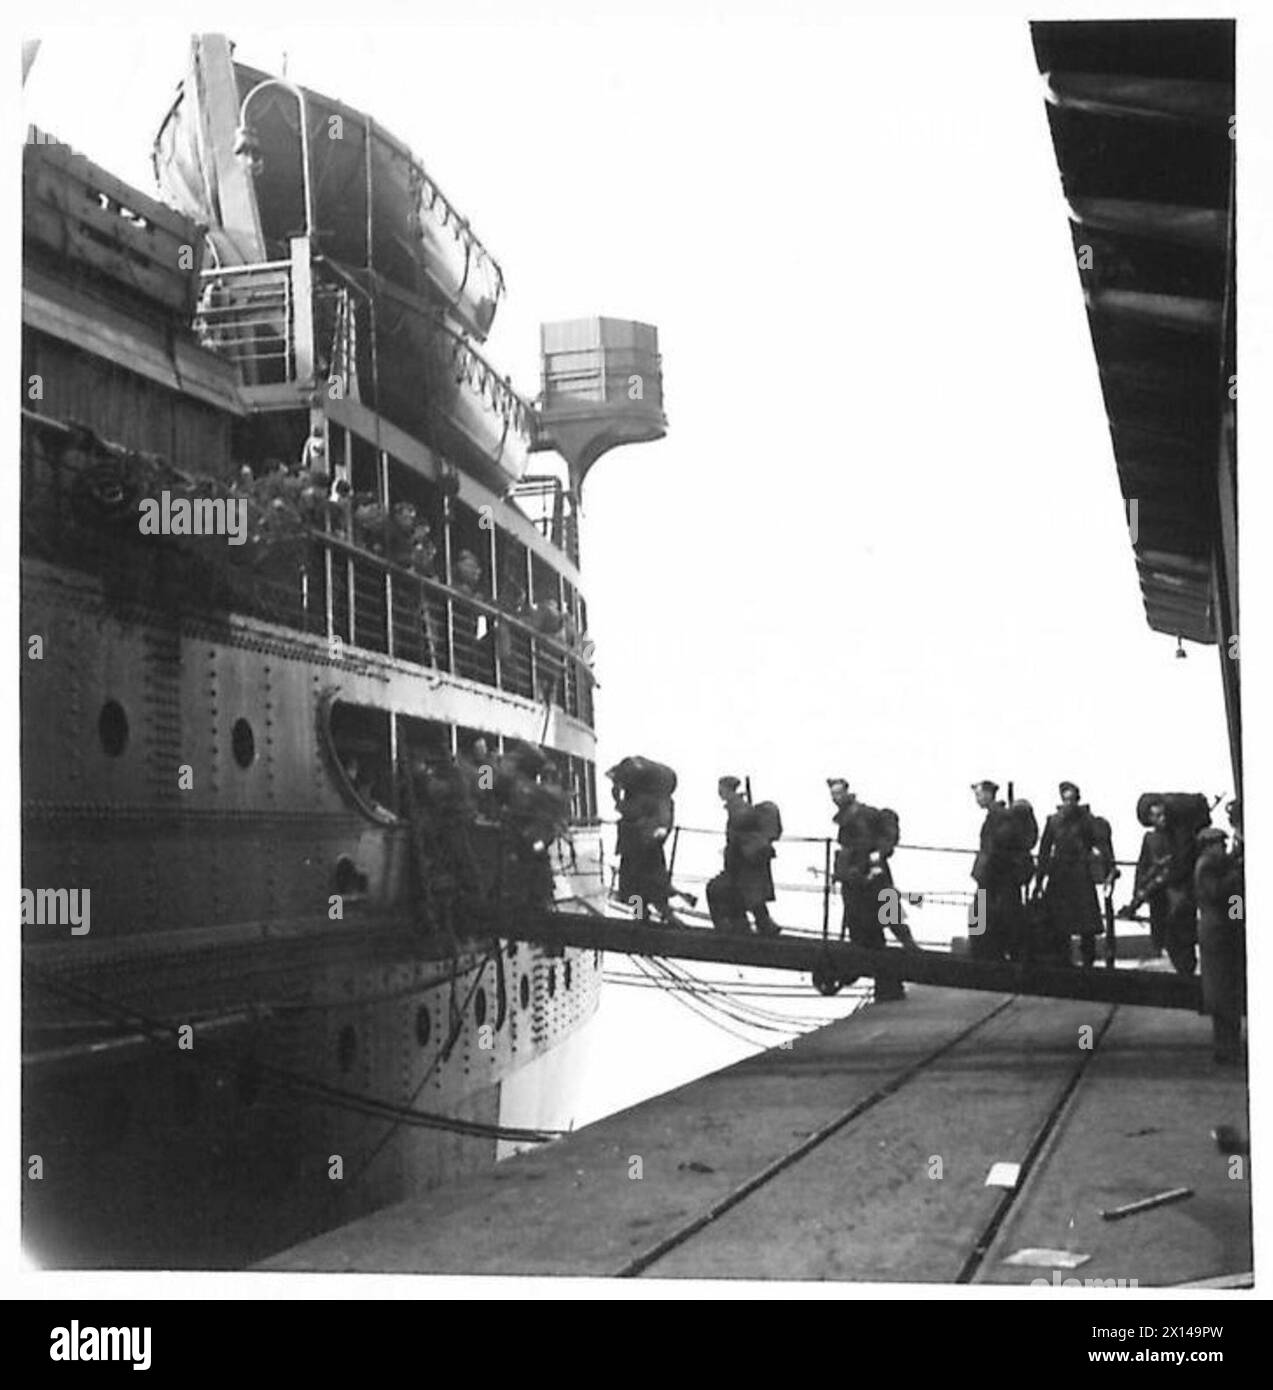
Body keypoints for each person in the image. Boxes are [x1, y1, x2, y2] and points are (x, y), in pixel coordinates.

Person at [829, 778, 915, 999]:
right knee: (864, 929)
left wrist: (874, 857)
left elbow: (881, 837)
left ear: (847, 793)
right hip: (855, 880)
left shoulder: (865, 814)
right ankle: (887, 985)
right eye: (833, 794)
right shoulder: (847, 819)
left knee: (887, 917)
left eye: (839, 793)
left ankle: (909, 954)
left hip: (871, 874)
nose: (836, 798)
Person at [1034, 782, 1106, 968]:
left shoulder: (1087, 820)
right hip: (1060, 875)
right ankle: (1062, 959)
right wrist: (1039, 880)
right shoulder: (1054, 821)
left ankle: (1088, 961)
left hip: (1081, 874)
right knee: (1059, 922)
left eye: (1072, 799)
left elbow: (1100, 843)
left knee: (1086, 925)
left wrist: (1106, 869)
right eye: (1066, 799)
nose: (1069, 803)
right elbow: (1044, 850)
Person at [1195, 800, 1245, 1065]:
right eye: (1220, 845)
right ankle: (1225, 1050)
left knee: (1227, 994)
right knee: (1222, 994)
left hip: (1224, 930)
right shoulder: (1206, 867)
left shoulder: (1215, 864)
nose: (1224, 848)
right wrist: (1236, 874)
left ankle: (1229, 1048)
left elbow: (1233, 902)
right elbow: (1218, 894)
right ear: (1209, 846)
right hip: (1217, 934)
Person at [607, 757, 678, 924]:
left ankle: (650, 917)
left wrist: (617, 798)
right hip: (642, 845)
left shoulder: (639, 798)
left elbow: (628, 811)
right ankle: (656, 917)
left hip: (638, 845)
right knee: (648, 885)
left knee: (640, 886)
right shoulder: (656, 798)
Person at [706, 776, 780, 936]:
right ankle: (751, 925)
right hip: (743, 862)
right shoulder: (739, 809)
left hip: (741, 862)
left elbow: (738, 835)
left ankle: (637, 918)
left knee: (720, 890)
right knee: (742, 894)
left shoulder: (738, 810)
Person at [969, 780, 1032, 962]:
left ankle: (988, 956)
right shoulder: (997, 816)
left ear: (989, 794)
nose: (977, 799)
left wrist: (986, 869)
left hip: (996, 877)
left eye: (979, 794)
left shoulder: (999, 817)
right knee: (987, 915)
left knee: (989, 916)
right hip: (995, 876)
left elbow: (997, 846)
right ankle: (991, 953)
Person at [1133, 799, 1173, 957]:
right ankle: (1158, 948)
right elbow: (1143, 863)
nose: (1162, 819)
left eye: (1163, 815)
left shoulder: (1175, 837)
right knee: (1157, 919)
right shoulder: (1150, 838)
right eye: (1157, 815)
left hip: (1172, 886)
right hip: (1156, 887)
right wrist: (1138, 889)